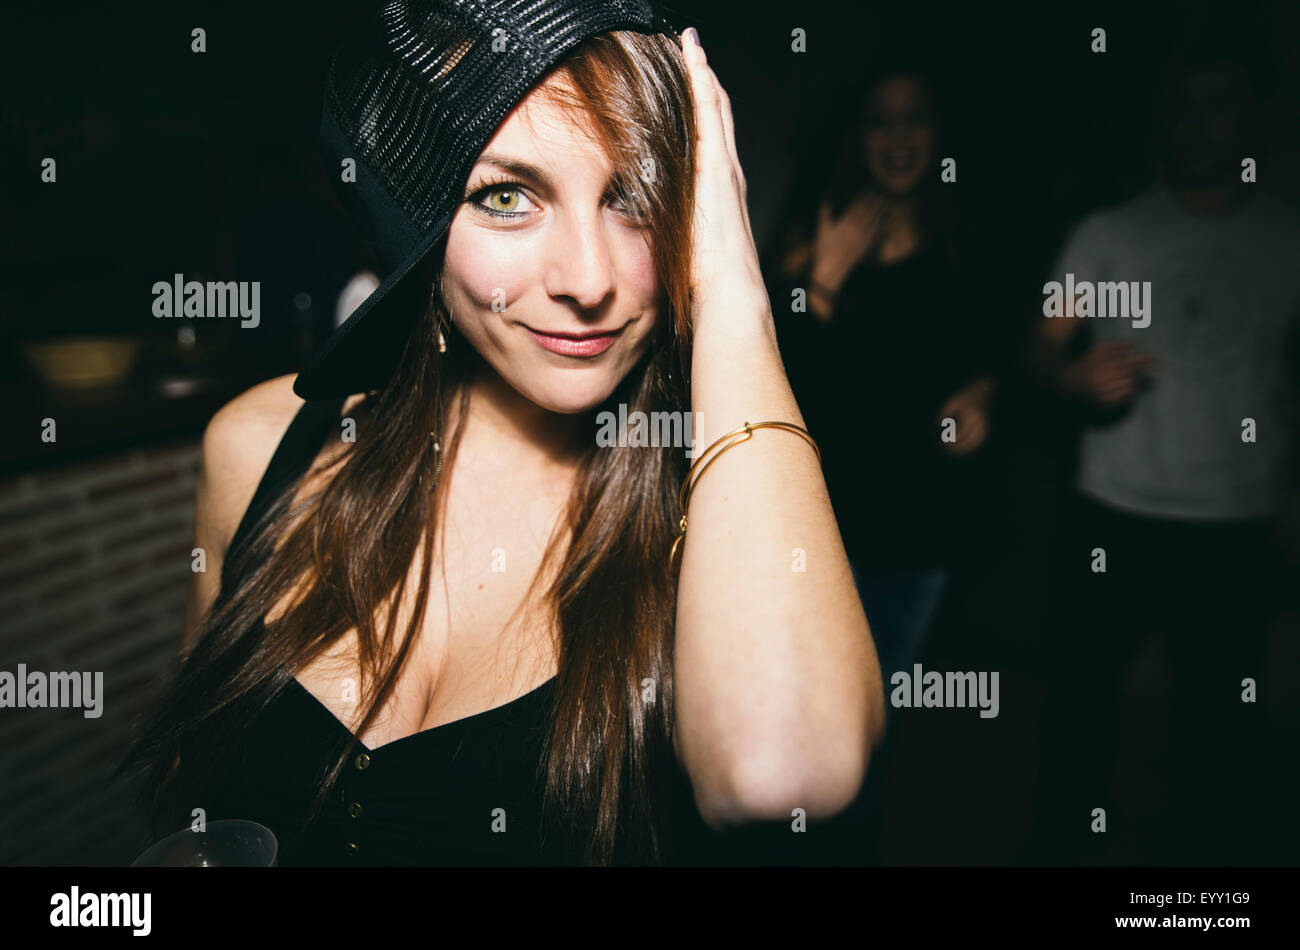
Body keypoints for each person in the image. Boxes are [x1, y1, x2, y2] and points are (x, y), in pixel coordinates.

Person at [122, 0, 884, 866]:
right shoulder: (259, 449)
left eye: (633, 196)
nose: (588, 279)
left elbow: (784, 773)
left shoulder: (723, 519)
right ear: (416, 227)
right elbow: (195, 796)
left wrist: (733, 299)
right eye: (507, 196)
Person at [1028, 49, 1300, 863]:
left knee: (1219, 725)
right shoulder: (1109, 235)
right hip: (1113, 509)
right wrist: (1070, 376)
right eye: (1183, 106)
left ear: (1252, 119)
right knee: (1079, 715)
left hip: (1236, 517)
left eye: (1219, 104)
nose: (1199, 122)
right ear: (1163, 122)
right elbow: (1038, 349)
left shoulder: (1286, 239)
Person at [766, 66, 996, 688]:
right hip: (815, 535)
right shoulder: (803, 240)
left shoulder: (962, 247)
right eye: (880, 120)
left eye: (914, 117)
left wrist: (982, 394)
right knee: (800, 722)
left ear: (938, 132)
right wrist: (825, 280)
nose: (897, 136)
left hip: (920, 536)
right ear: (857, 136)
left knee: (875, 722)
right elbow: (779, 393)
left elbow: (993, 358)